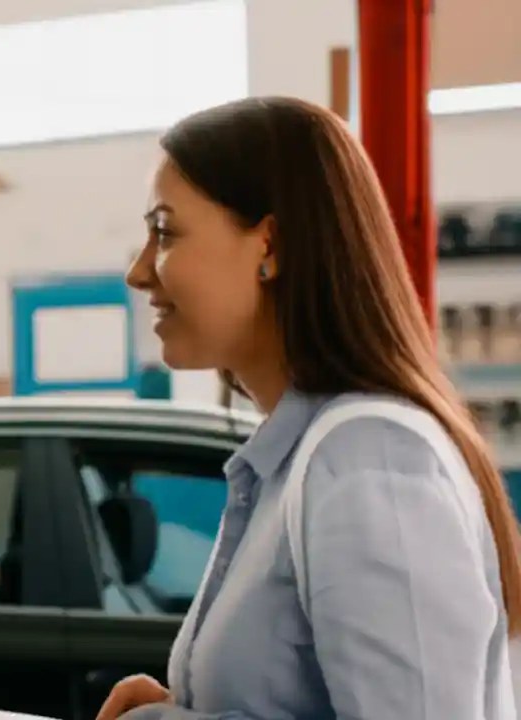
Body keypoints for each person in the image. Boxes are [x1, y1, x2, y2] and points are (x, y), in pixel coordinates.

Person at [97, 96, 521, 719]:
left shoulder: (366, 459)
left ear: (270, 243)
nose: (139, 271)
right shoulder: (304, 457)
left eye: (165, 230)